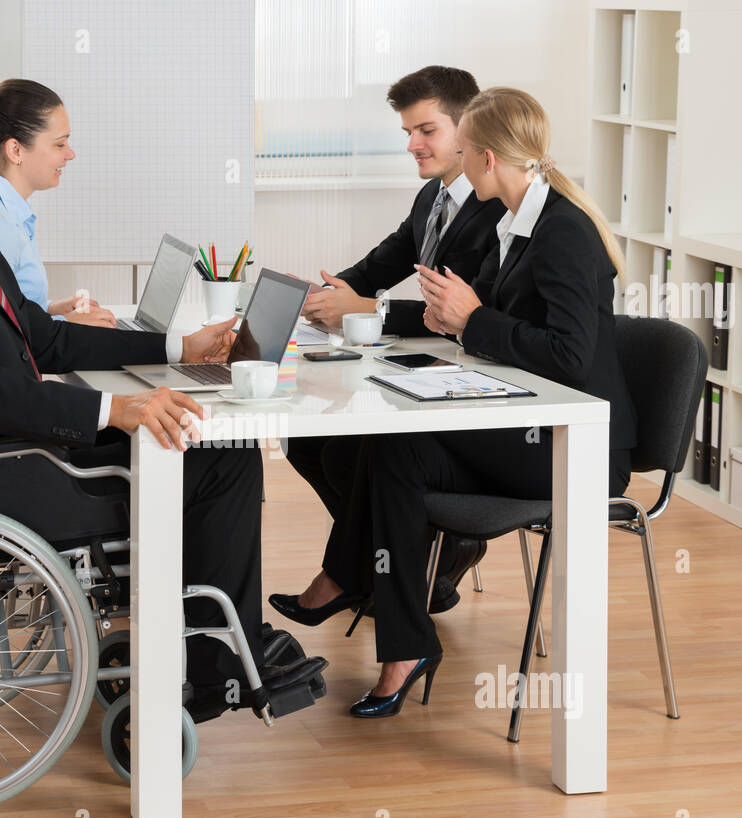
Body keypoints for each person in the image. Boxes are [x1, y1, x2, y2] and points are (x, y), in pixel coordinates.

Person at [0, 85, 266, 715]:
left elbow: (41, 339)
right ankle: (216, 670)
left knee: (209, 446)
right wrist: (110, 410)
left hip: (6, 451)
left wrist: (180, 346)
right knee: (224, 457)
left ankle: (207, 648)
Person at [271, 87, 637, 718]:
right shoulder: (518, 222)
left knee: (392, 446)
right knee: (393, 449)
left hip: (571, 444)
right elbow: (484, 317)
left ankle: (351, 587)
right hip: (524, 417)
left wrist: (471, 319)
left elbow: (569, 357)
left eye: (463, 150)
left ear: (488, 157)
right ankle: (403, 641)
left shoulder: (563, 234)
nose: (457, 164)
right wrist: (451, 314)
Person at [283, 66, 505, 615]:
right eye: (408, 132)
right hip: (430, 364)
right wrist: (330, 294)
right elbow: (383, 261)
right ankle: (395, 563)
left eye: (426, 130)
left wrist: (370, 309)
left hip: (470, 379)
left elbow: (466, 309)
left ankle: (425, 558)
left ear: (468, 129)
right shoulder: (433, 196)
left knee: (364, 450)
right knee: (312, 441)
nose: (412, 144)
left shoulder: (498, 205)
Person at [0, 79, 116, 327]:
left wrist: (50, 311)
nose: (70, 154)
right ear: (15, 151)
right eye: (60, 144)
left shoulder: (6, 209)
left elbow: (9, 305)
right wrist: (67, 323)